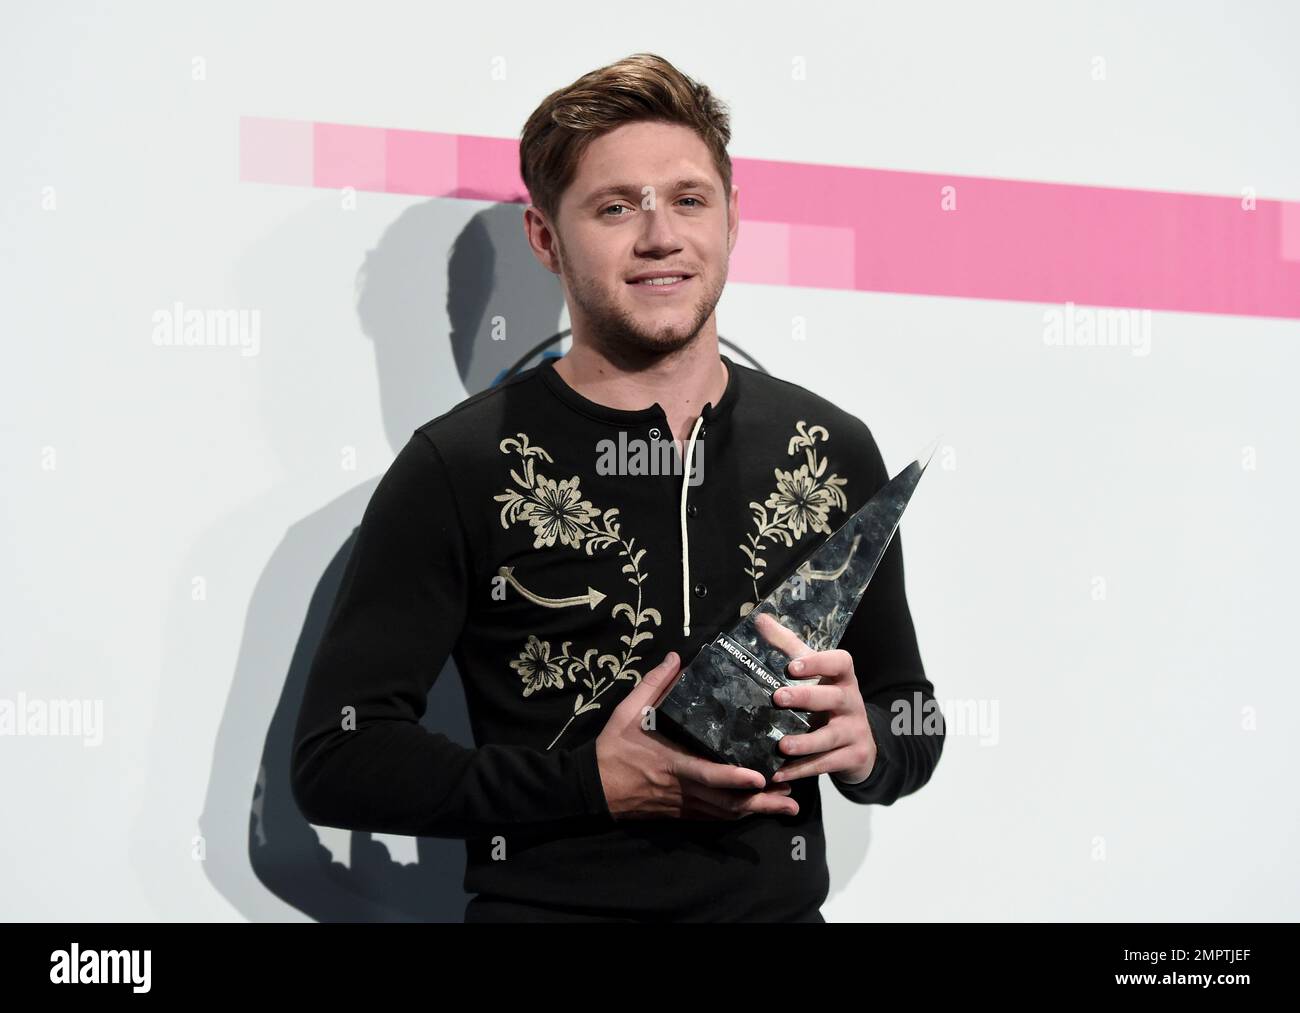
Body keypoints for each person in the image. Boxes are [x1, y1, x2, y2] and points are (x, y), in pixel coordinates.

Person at [290, 52, 943, 923]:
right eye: (614, 207)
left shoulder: (828, 447)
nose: (659, 236)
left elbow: (911, 712)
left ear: (733, 217)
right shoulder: (462, 466)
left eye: (688, 198)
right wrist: (585, 783)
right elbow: (339, 759)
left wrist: (869, 747)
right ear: (545, 239)